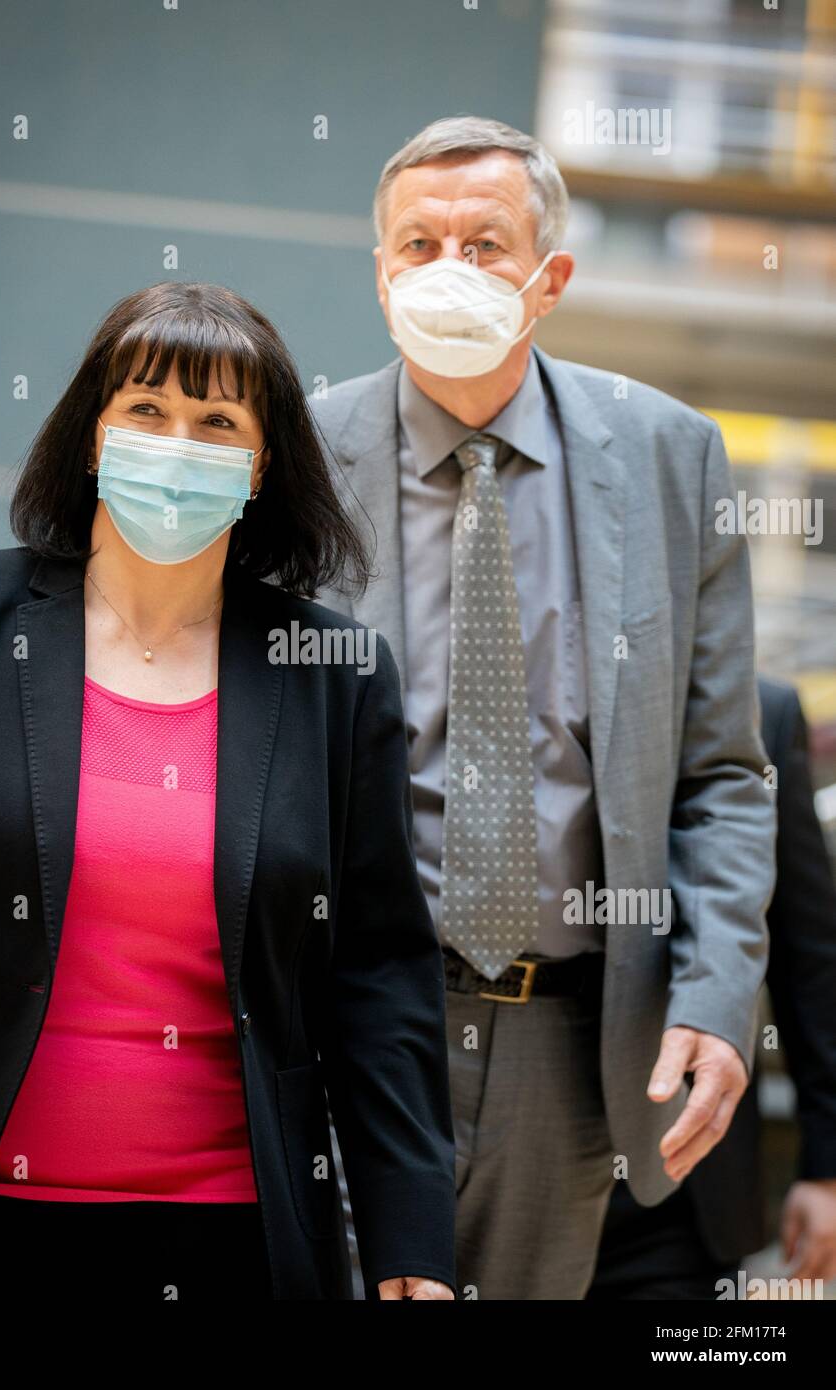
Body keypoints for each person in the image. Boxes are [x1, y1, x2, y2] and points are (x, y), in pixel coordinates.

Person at [0, 282, 457, 1304]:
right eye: (146, 410)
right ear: (91, 435)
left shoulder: (332, 672)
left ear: (260, 466)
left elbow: (378, 980)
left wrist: (410, 1236)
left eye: (216, 424)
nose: (176, 443)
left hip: (225, 1240)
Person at [310, 115, 776, 1299]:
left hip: (568, 1048)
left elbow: (722, 775)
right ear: (378, 273)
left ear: (549, 278)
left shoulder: (672, 458)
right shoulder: (300, 457)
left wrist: (720, 998)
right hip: (345, 1021)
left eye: (483, 243)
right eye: (415, 244)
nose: (445, 270)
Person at [590, 676, 836, 1298]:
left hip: (684, 1187)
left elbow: (810, 958)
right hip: (506, 1157)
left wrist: (828, 1171)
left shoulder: (767, 711)